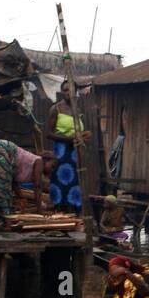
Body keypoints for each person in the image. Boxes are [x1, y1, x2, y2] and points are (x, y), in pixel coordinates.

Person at [0, 138, 55, 220]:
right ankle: (6, 217)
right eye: (52, 166)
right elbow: (37, 185)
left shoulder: (26, 166)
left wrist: (20, 196)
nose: (51, 170)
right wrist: (40, 210)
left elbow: (13, 180)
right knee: (2, 183)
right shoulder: (39, 161)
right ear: (46, 160)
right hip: (0, 148)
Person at [46, 83, 89, 213]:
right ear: (61, 92)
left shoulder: (78, 110)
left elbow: (81, 132)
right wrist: (69, 139)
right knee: (60, 180)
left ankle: (74, 213)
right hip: (61, 152)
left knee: (75, 182)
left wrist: (84, 136)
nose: (67, 92)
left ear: (75, 91)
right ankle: (59, 211)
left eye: (70, 90)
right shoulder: (56, 109)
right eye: (65, 90)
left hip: (75, 153)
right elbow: (48, 133)